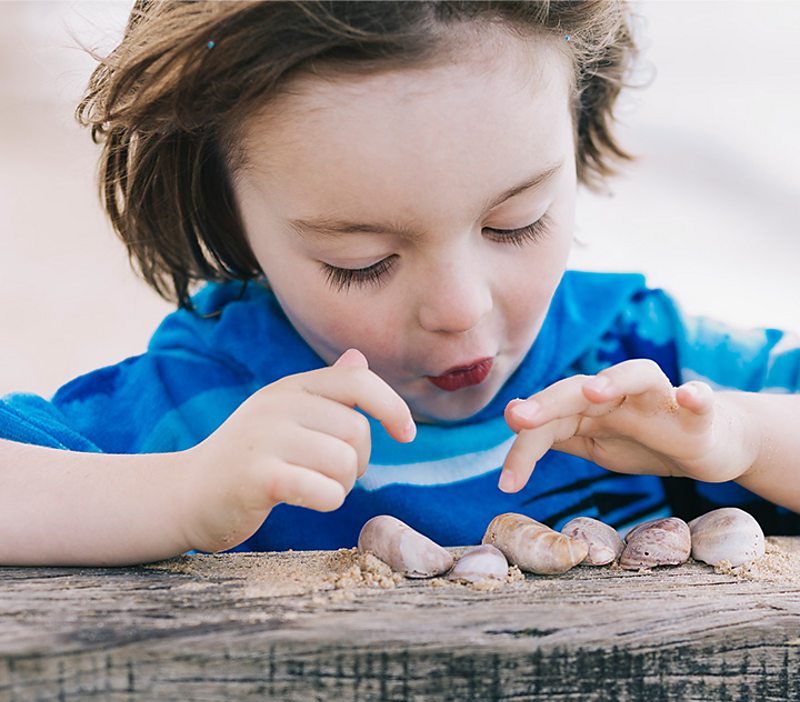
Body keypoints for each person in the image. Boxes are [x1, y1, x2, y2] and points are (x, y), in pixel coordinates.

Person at [0, 0, 797, 567]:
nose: (460, 308)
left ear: (579, 128)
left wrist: (746, 439)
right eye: (363, 261)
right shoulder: (205, 411)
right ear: (229, 217)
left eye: (515, 222)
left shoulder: (647, 365)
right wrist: (177, 492)